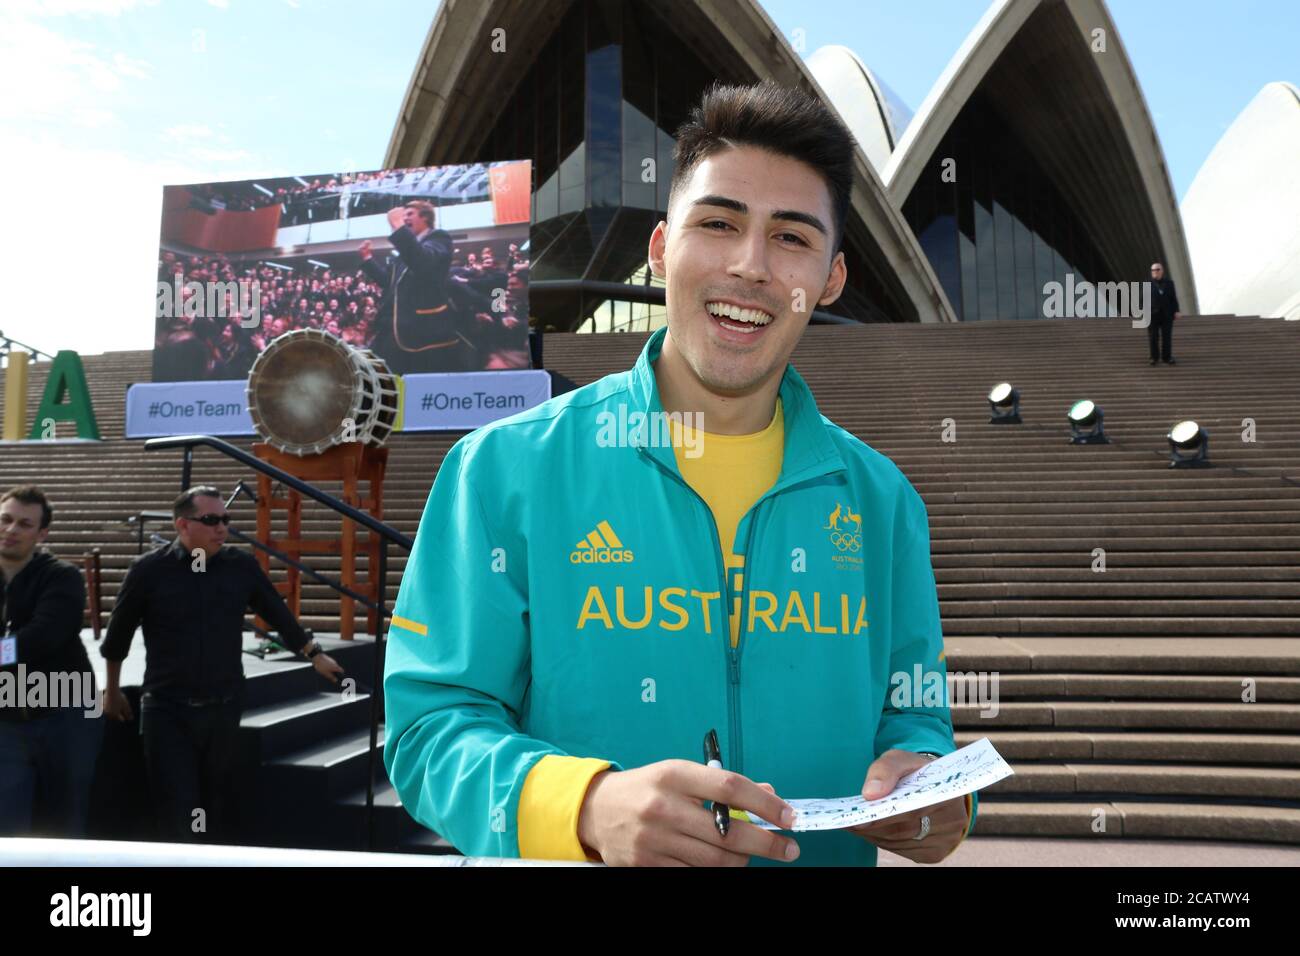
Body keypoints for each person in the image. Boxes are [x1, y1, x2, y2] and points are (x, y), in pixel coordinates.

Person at [383, 81, 977, 866]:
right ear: (662, 248)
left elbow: (916, 719)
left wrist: (931, 797)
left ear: (831, 280)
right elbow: (429, 730)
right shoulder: (502, 469)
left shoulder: (881, 500)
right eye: (719, 224)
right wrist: (585, 807)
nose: (750, 265)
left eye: (792, 238)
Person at [100, 486, 344, 842]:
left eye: (225, 520)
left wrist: (315, 654)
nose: (221, 528)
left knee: (219, 805)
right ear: (182, 525)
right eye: (211, 520)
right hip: (167, 711)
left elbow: (277, 614)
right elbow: (118, 635)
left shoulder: (240, 566)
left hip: (224, 709)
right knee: (177, 810)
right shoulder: (149, 571)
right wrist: (112, 689)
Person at [0, 486, 103, 837]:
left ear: (42, 533)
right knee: (8, 829)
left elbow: (43, 637)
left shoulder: (62, 576)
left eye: (24, 524)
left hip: (67, 715)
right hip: (7, 719)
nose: (11, 529)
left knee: (66, 823)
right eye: (5, 519)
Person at [358, 200, 474, 373]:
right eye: (403, 215)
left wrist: (398, 226)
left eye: (409, 214)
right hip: (395, 327)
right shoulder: (405, 253)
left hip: (424, 331)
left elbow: (424, 263)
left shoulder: (439, 238)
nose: (404, 218)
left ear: (425, 217)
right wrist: (368, 259)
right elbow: (389, 283)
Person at [1148, 261, 1181, 365]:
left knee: (1167, 336)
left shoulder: (1169, 283)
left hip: (1167, 314)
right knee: (1153, 337)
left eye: (1157, 269)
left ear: (1162, 271)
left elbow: (1173, 298)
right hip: (1152, 314)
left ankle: (1167, 357)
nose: (1155, 272)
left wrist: (1176, 311)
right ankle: (1154, 358)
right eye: (1153, 270)